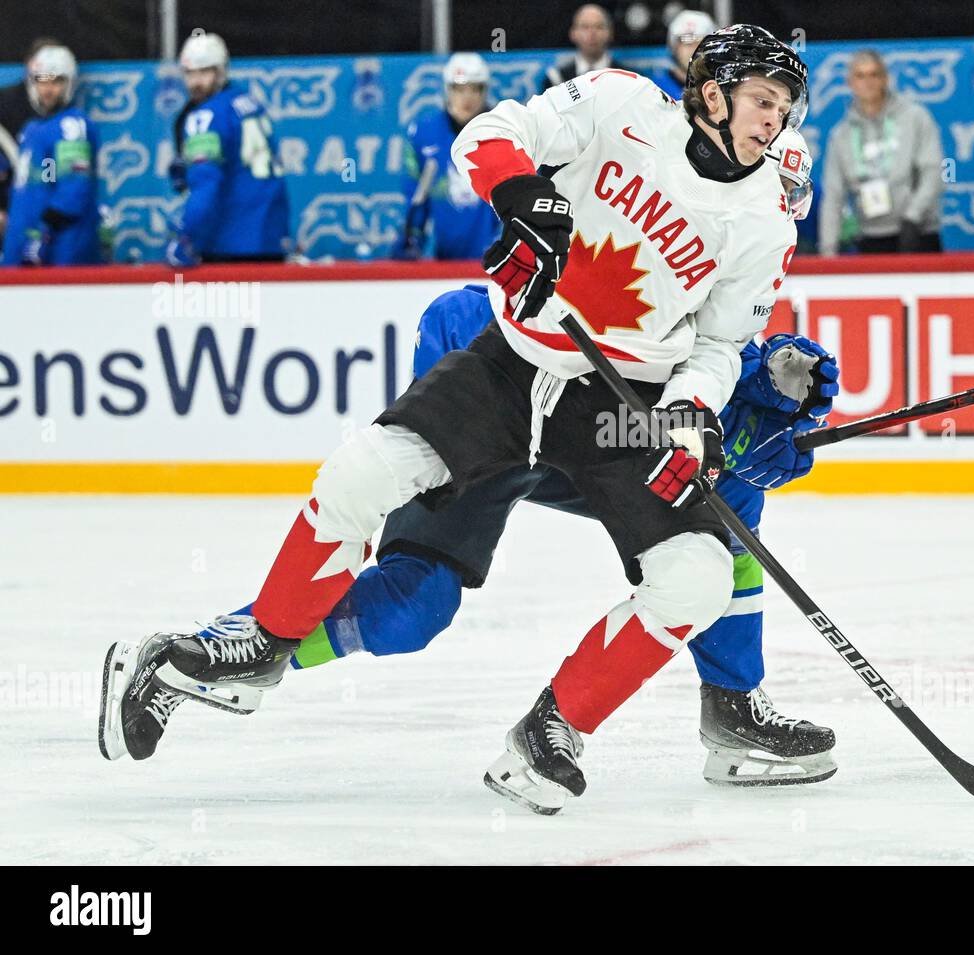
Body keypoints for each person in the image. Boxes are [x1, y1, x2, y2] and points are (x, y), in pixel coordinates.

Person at [100, 25, 810, 815]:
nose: (773, 122)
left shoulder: (764, 220)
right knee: (366, 476)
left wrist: (689, 414)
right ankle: (258, 640)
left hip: (619, 407)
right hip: (509, 368)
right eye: (762, 101)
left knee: (699, 574)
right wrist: (519, 192)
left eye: (783, 109)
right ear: (712, 93)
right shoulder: (621, 104)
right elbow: (492, 133)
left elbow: (716, 345)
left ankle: (552, 730)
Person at [166, 29, 290, 266]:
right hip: (270, 233)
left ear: (221, 72)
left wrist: (188, 237)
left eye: (205, 72)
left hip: (232, 239)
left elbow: (206, 186)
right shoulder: (249, 103)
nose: (196, 82)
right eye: (190, 73)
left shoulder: (206, 115)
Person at [818, 49, 944, 256]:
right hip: (871, 237)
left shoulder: (915, 118)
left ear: (886, 78)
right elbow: (833, 195)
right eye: (860, 75)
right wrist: (827, 250)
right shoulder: (841, 134)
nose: (868, 82)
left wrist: (913, 216)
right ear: (850, 83)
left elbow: (932, 172)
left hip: (917, 232)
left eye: (874, 74)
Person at [392, 53, 500, 261]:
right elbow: (415, 194)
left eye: (475, 88)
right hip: (444, 256)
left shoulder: (503, 131)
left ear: (484, 91)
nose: (467, 97)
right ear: (447, 90)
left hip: (496, 253)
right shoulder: (423, 133)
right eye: (459, 89)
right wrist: (411, 238)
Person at [0, 44, 101, 267]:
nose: (47, 89)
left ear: (69, 83)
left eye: (56, 81)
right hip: (22, 243)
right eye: (41, 80)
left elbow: (73, 190)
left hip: (58, 250)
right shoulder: (33, 128)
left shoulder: (71, 127)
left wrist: (42, 233)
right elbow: (47, 176)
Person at [0, 38, 60, 245]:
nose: (48, 87)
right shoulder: (6, 102)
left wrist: (52, 212)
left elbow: (50, 167)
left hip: (41, 206)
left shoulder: (65, 117)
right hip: (10, 201)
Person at [542, 4, 629, 91]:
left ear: (610, 33)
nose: (592, 33)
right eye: (585, 27)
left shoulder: (628, 79)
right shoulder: (556, 80)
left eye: (599, 27)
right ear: (573, 33)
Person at [650, 9, 717, 100]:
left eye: (699, 42)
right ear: (674, 46)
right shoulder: (654, 89)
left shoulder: (719, 89)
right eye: (686, 41)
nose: (694, 49)